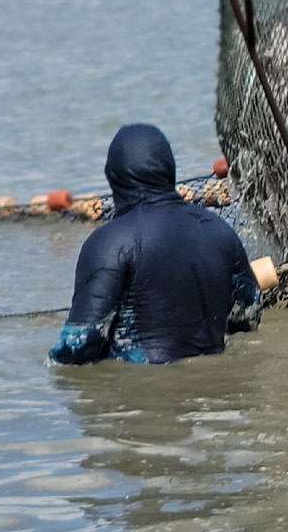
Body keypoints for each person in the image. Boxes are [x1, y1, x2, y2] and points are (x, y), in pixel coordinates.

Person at [49, 124, 262, 365]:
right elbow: (249, 315)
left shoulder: (108, 242)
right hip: (215, 395)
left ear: (114, 178)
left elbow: (81, 343)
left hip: (140, 395)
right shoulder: (220, 231)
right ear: (168, 170)